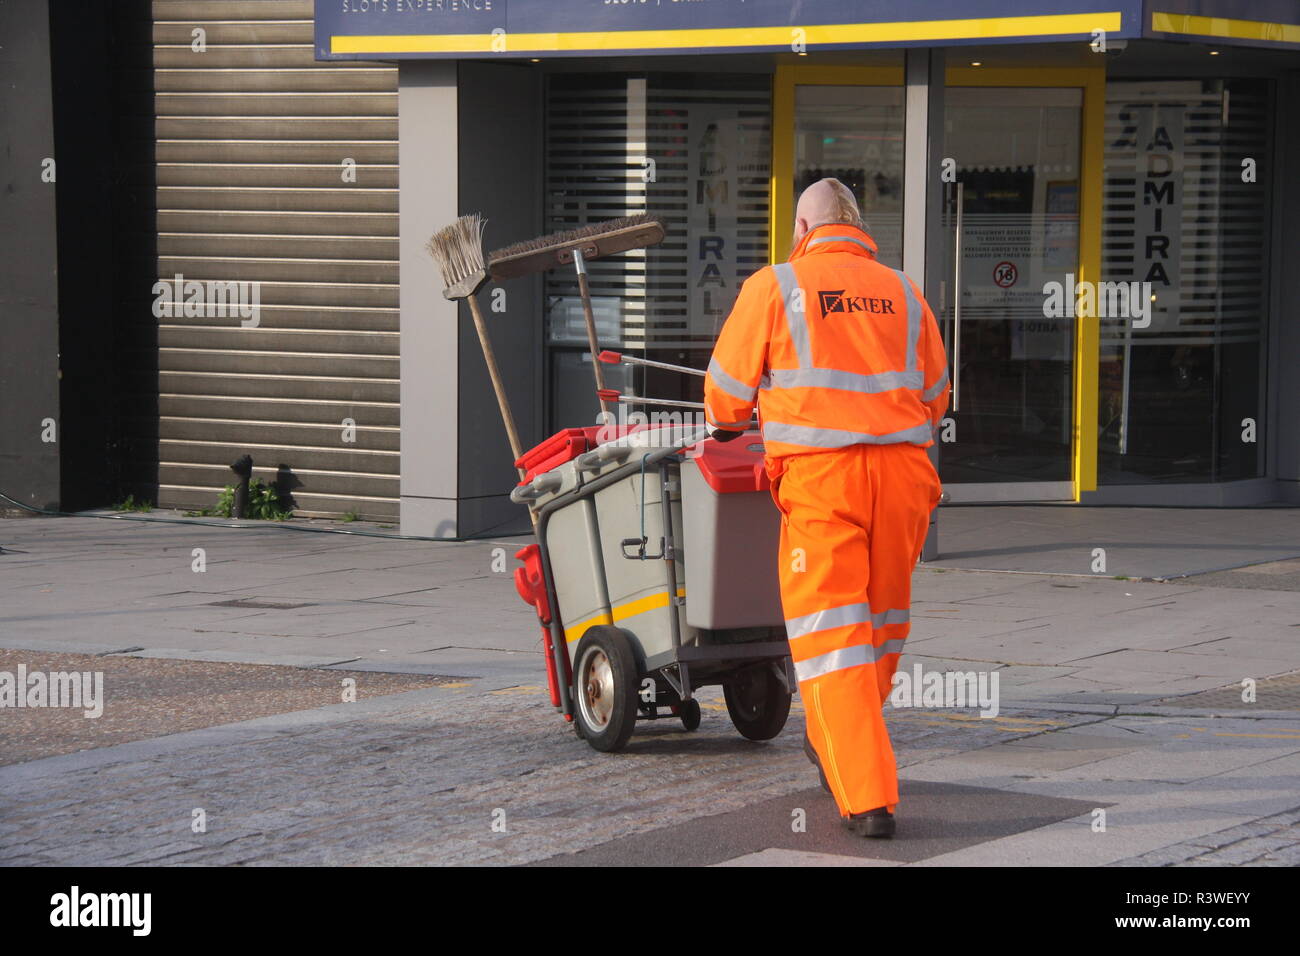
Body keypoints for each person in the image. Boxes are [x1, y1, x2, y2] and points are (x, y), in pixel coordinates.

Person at [703, 178, 950, 838]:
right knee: (881, 624)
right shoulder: (904, 290)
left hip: (823, 481)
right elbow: (936, 395)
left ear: (801, 230)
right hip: (903, 476)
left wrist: (739, 418)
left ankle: (867, 798)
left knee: (831, 639)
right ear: (857, 226)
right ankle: (836, 735)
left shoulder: (776, 285)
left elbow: (724, 397)